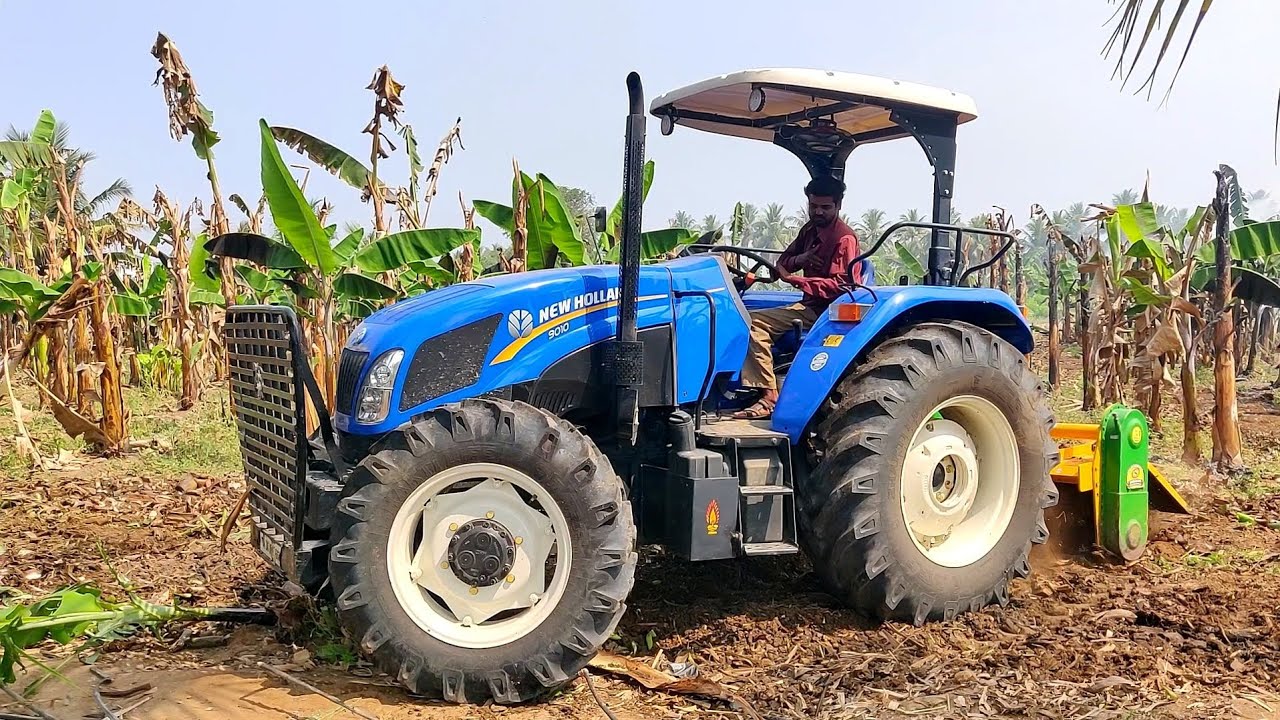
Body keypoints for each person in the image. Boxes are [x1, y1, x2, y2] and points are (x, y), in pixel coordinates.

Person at [734, 175, 861, 419]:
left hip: (828, 311)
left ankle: (769, 396)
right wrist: (799, 261)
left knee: (754, 324)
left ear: (838, 206)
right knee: (742, 314)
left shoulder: (844, 239)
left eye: (825, 207)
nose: (818, 212)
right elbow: (783, 262)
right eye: (813, 206)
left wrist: (795, 279)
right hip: (808, 303)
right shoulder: (809, 230)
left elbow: (840, 287)